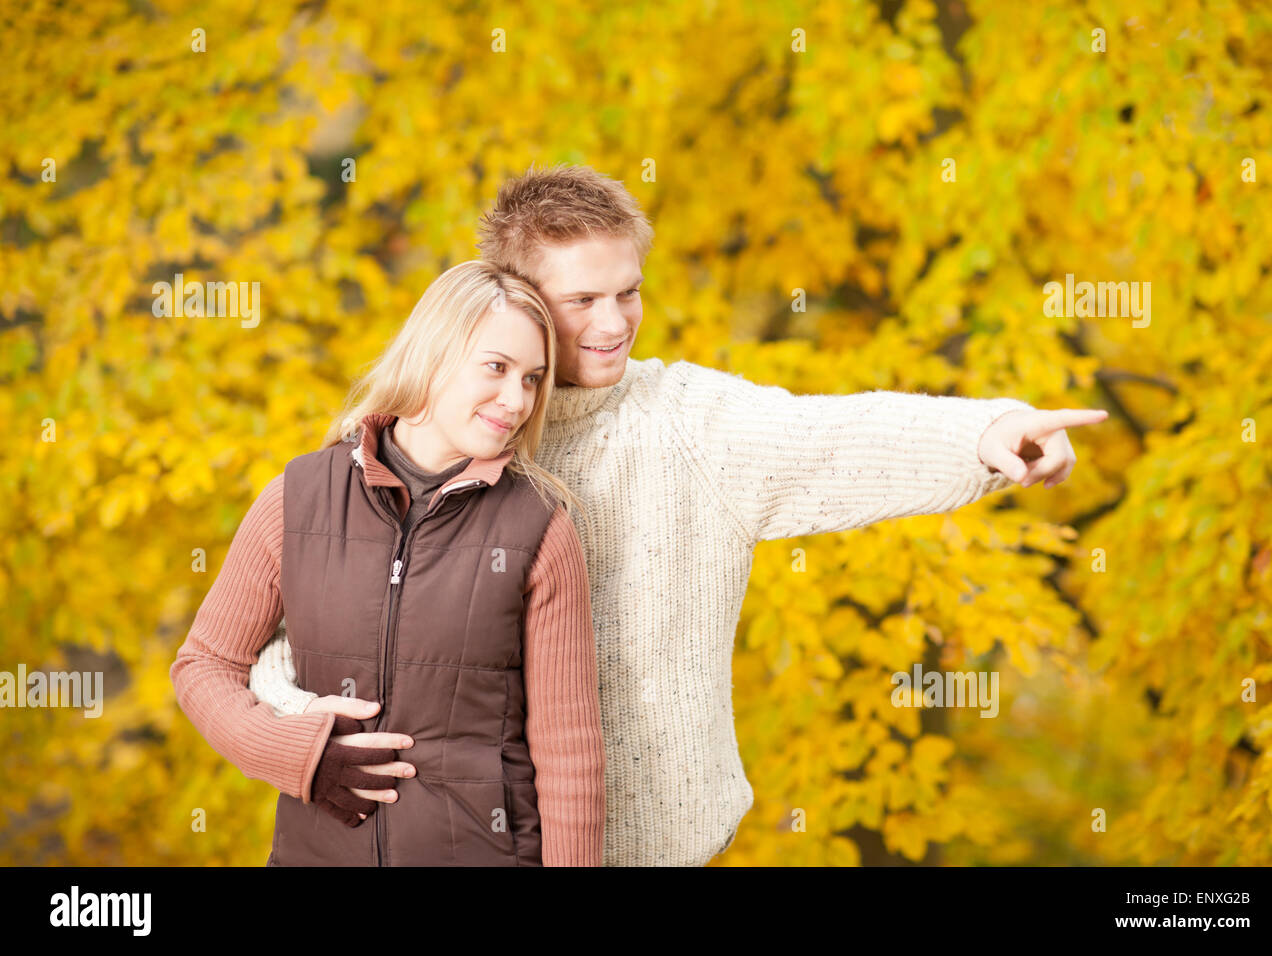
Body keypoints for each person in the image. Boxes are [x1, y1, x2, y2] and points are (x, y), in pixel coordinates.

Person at [248, 164, 1109, 866]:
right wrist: (302, 729)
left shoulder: (686, 421)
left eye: (629, 291)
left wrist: (986, 431)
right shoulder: (456, 432)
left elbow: (830, 435)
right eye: (582, 301)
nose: (616, 321)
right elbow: (317, 628)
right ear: (509, 299)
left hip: (653, 848)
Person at [170, 260, 606, 866]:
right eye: (496, 367)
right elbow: (204, 665)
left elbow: (568, 753)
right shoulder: (297, 499)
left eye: (532, 378)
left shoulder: (540, 528)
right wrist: (298, 754)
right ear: (432, 355)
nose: (517, 399)